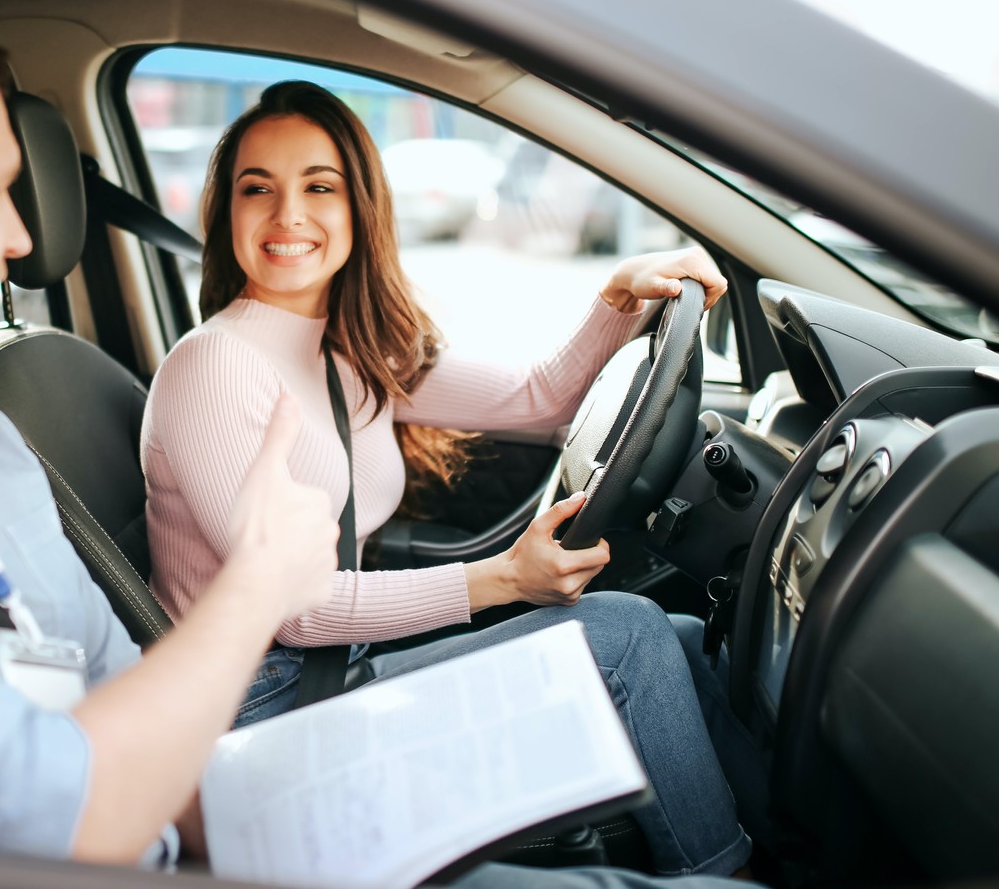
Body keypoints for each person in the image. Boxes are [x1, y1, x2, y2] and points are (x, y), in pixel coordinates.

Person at [0, 0, 752, 889]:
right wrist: (284, 590)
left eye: (319, 186)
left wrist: (332, 795)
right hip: (176, 794)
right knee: (620, 646)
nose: (23, 238)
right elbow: (56, 823)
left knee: (652, 648)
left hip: (202, 802)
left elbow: (125, 697)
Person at [141, 81, 751, 877]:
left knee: (680, 638)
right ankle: (728, 874)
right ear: (227, 214)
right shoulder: (215, 365)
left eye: (318, 187)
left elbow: (538, 399)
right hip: (256, 707)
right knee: (630, 635)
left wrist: (616, 295)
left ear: (359, 206)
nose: (288, 214)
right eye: (258, 189)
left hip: (325, 661)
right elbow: (293, 612)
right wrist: (500, 580)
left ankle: (790, 851)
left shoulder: (347, 346)